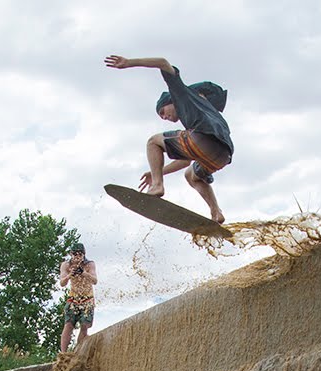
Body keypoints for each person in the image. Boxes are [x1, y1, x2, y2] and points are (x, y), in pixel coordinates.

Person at [104, 54, 234, 223]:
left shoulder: (181, 94)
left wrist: (129, 63)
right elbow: (184, 161)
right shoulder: (205, 108)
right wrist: (157, 171)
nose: (164, 118)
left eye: (163, 112)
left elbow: (163, 63)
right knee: (191, 175)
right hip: (223, 155)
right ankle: (216, 212)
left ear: (170, 101)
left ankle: (157, 185)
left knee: (152, 142)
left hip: (202, 138)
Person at [58, 242, 98, 352]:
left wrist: (84, 273)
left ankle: (78, 351)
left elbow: (95, 281)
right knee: (68, 325)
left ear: (83, 254)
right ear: (71, 254)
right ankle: (63, 353)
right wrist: (70, 275)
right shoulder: (66, 265)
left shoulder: (89, 264)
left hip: (87, 299)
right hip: (73, 299)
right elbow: (62, 283)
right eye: (75, 254)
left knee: (84, 326)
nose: (77, 257)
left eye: (80, 254)